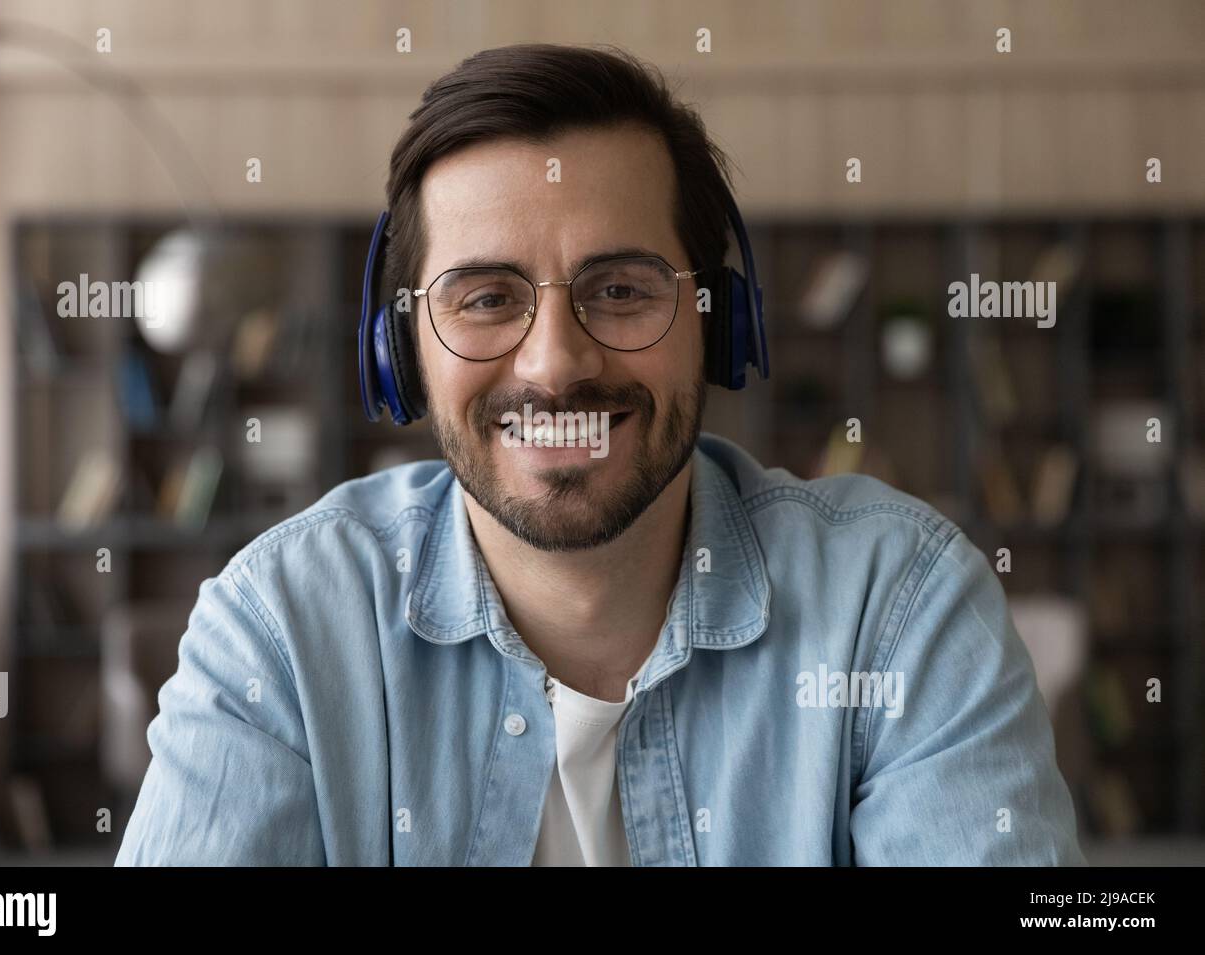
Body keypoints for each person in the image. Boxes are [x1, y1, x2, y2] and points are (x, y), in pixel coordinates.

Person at [116, 43, 1085, 866]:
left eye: (620, 289)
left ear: (721, 323)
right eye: (486, 297)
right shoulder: (277, 627)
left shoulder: (900, 605)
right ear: (398, 352)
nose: (554, 364)